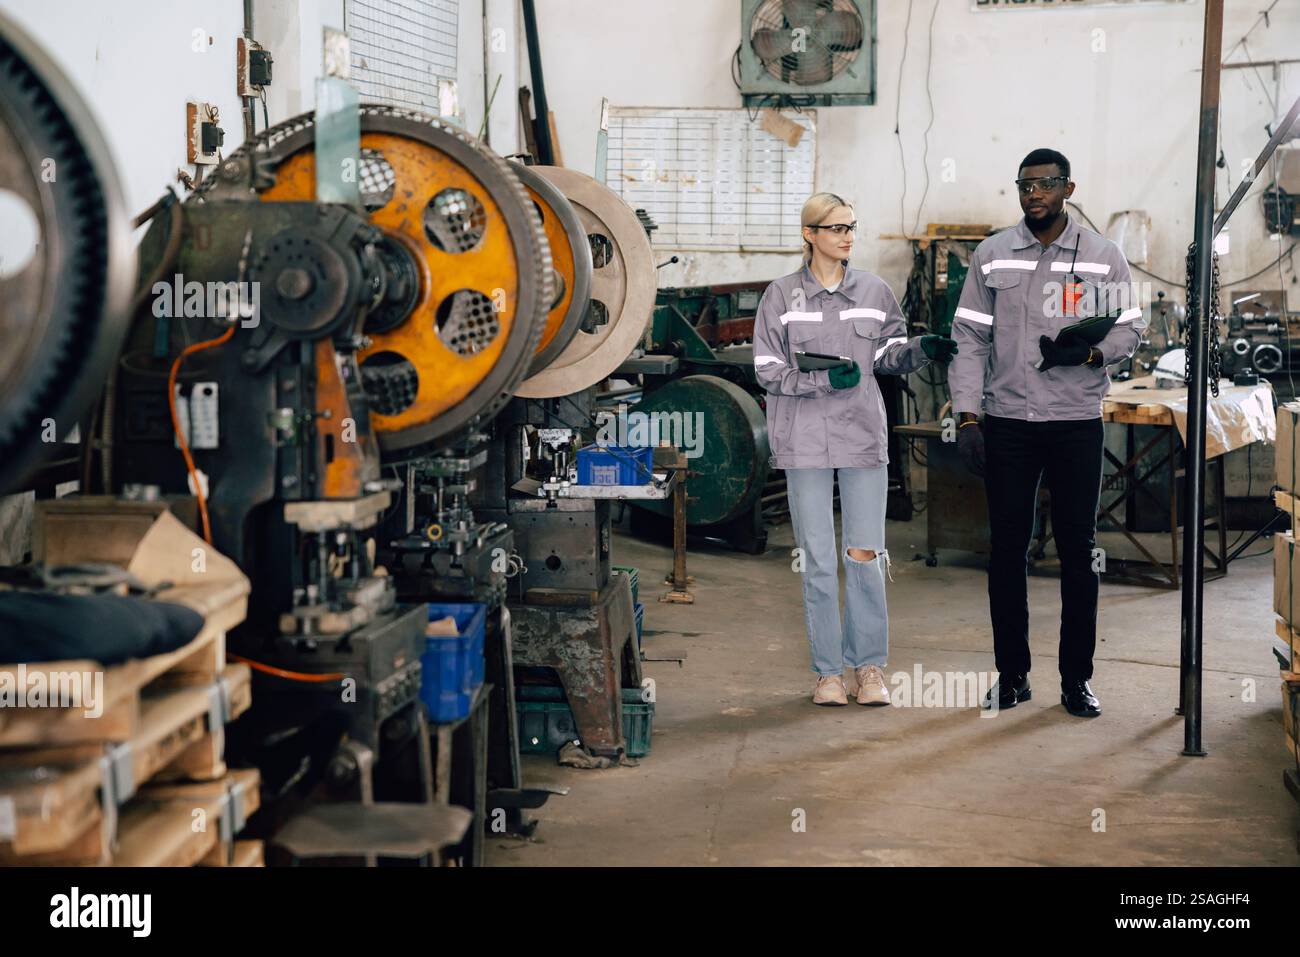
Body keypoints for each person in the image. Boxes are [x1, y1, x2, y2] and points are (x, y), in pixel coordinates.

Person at [948, 148, 1146, 718]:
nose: (1033, 194)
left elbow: (1129, 329)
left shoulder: (1102, 256)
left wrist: (1088, 353)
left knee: (1079, 552)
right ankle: (1013, 677)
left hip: (1075, 424)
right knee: (1007, 551)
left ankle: (1075, 681)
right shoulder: (992, 256)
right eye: (1025, 186)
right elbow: (968, 340)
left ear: (1067, 188)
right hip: (1008, 423)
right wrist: (966, 417)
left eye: (1045, 185)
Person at [753, 192, 958, 706]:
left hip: (862, 436)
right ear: (809, 234)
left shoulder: (873, 290)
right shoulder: (780, 297)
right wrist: (822, 381)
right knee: (818, 558)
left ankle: (868, 669)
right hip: (803, 440)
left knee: (865, 554)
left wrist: (919, 350)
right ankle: (827, 673)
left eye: (852, 226)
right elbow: (766, 370)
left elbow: (888, 354)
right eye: (836, 227)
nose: (847, 235)